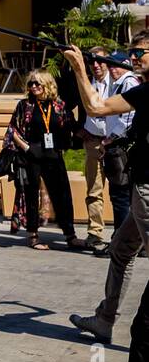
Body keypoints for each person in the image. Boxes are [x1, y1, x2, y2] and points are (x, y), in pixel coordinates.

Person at [66, 35, 149, 345]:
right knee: (121, 250)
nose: (134, 57)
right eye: (132, 52)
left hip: (147, 192)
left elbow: (96, 107)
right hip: (142, 189)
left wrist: (79, 68)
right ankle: (104, 320)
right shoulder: (142, 90)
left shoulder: (146, 91)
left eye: (140, 52)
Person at [10, 69, 81, 251]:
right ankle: (33, 236)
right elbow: (13, 131)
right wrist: (27, 148)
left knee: (63, 195)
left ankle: (70, 235)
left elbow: (70, 127)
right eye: (31, 83)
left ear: (47, 85)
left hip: (54, 156)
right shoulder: (25, 105)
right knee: (32, 194)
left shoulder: (58, 106)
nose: (33, 87)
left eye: (37, 83)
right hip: (32, 157)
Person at [95, 48, 141, 247]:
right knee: (121, 196)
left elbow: (127, 118)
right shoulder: (119, 83)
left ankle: (121, 242)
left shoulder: (128, 82)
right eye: (111, 65)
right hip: (116, 144)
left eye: (118, 64)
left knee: (121, 196)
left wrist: (111, 139)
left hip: (120, 145)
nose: (113, 69)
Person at [78, 47, 112, 250]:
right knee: (94, 190)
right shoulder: (84, 84)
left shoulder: (118, 84)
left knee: (121, 190)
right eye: (92, 61)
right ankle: (95, 232)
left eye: (100, 61)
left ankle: (124, 234)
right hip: (93, 141)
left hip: (115, 143)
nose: (96, 65)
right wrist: (78, 129)